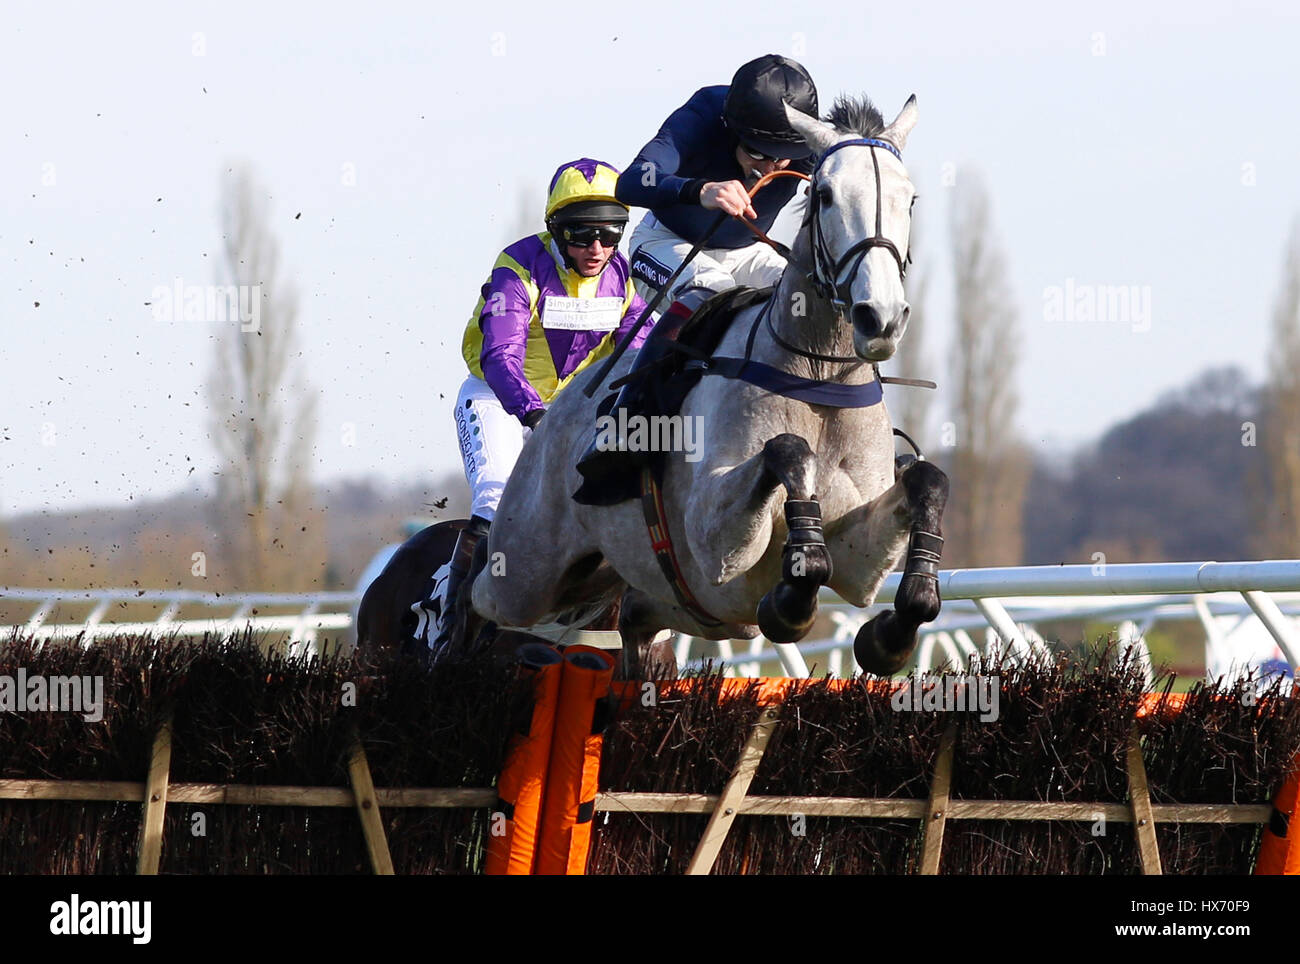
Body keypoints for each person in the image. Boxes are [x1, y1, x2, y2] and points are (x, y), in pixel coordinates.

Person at [414, 158, 651, 654]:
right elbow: (500, 357)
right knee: (495, 502)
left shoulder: (623, 276)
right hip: (499, 401)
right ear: (556, 230)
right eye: (582, 235)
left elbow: (638, 352)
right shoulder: (518, 266)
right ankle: (452, 625)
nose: (597, 249)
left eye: (611, 235)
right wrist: (534, 415)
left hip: (566, 411)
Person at [575, 53, 820, 484]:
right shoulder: (705, 112)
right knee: (714, 293)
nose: (771, 169)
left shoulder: (805, 141)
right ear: (733, 131)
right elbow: (631, 181)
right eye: (759, 155)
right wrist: (700, 190)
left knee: (804, 299)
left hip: (749, 252)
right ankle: (626, 423)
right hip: (667, 243)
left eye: (786, 158)